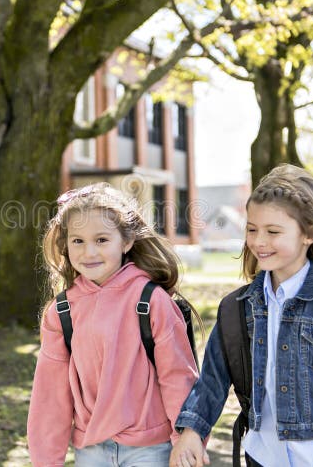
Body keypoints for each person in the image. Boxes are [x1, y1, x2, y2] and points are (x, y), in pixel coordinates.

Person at [171, 165, 313, 467]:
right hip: (262, 455)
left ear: (310, 233)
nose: (259, 241)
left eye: (273, 232)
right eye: (252, 229)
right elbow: (212, 381)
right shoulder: (236, 308)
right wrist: (191, 431)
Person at [27, 182, 200, 467]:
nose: (89, 252)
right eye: (78, 241)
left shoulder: (152, 301)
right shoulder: (61, 311)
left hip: (150, 450)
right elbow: (50, 396)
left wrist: (185, 440)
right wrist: (46, 461)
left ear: (127, 241)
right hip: (91, 451)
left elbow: (178, 378)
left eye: (102, 240)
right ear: (66, 245)